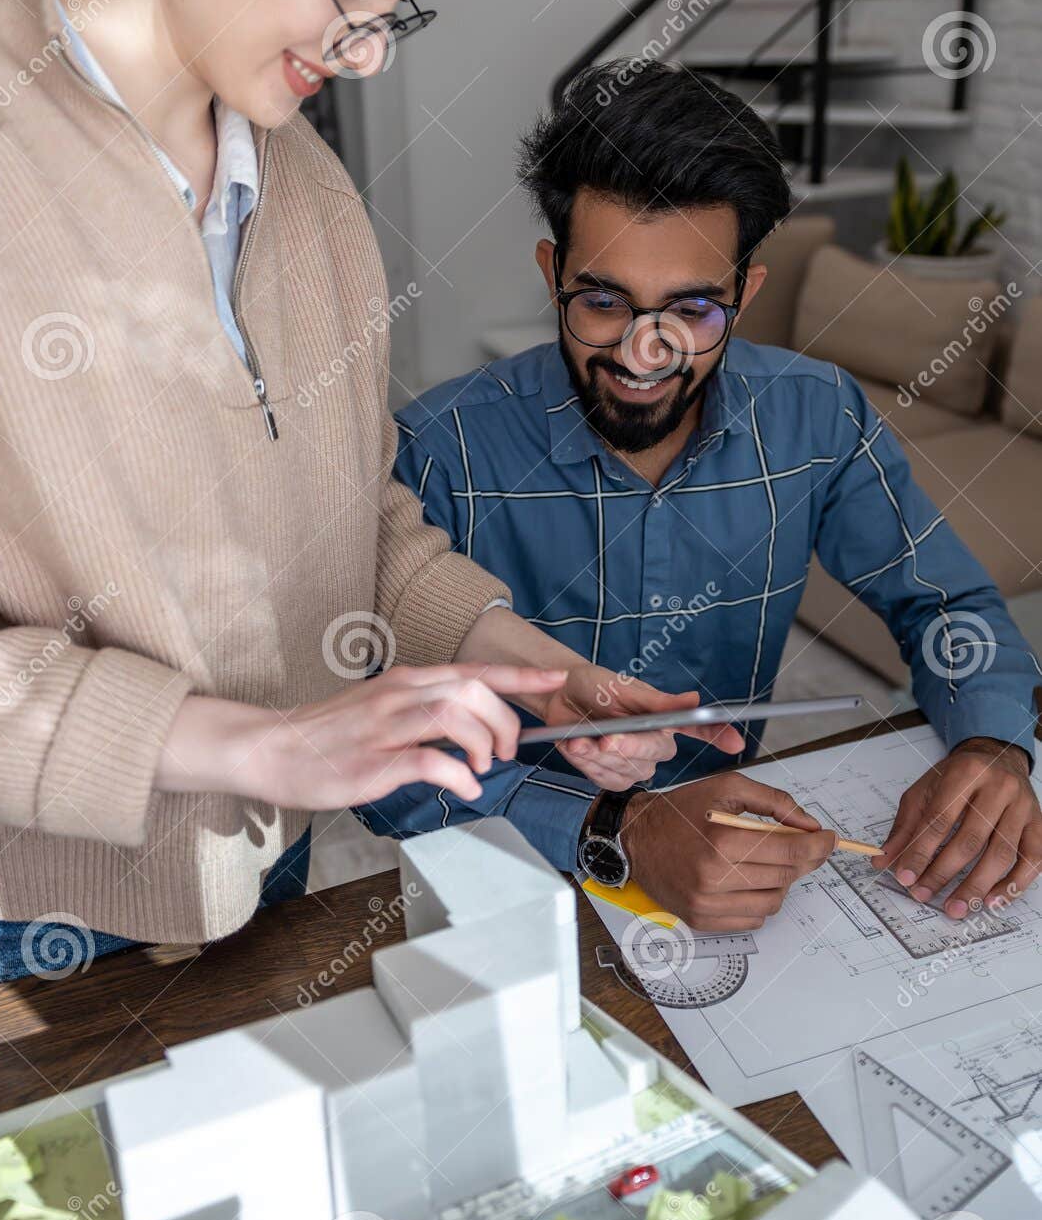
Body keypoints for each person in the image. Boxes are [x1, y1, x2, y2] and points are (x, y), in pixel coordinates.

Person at [0, 0, 737, 984]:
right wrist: (254, 743)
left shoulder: (307, 186)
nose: (370, 53)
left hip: (262, 867)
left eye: (397, 8)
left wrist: (523, 668)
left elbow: (352, 518)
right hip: (22, 913)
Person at [365, 58, 1041, 933]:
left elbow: (945, 606)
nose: (644, 352)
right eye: (604, 301)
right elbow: (378, 749)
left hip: (734, 863)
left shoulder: (817, 417)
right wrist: (616, 828)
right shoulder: (437, 450)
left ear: (745, 294)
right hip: (509, 876)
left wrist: (992, 742)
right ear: (551, 273)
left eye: (692, 311)